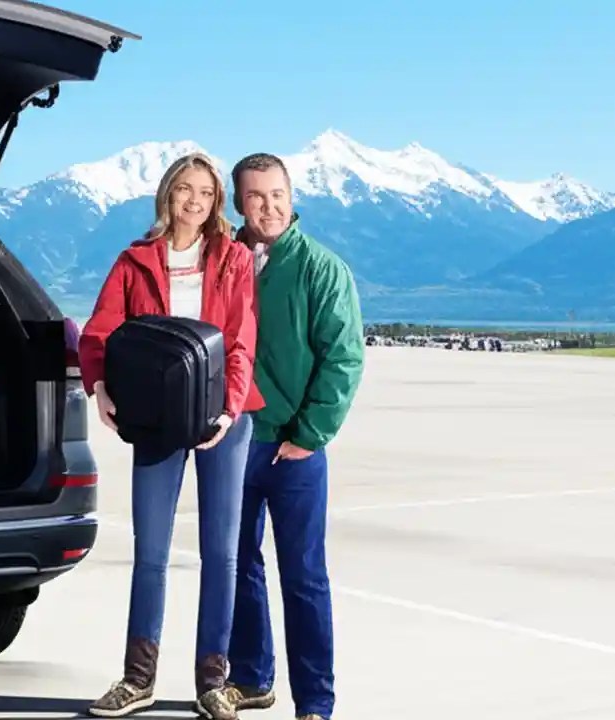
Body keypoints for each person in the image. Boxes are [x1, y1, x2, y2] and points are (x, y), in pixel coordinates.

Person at [78, 152, 264, 720]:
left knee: (221, 554)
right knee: (151, 553)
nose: (193, 200)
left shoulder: (232, 259)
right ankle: (138, 679)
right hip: (158, 419)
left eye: (205, 193)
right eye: (184, 189)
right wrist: (101, 387)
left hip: (223, 424)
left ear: (216, 203)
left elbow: (240, 341)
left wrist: (228, 412)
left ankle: (213, 680)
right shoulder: (135, 260)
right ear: (167, 195)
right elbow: (100, 331)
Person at [223, 153, 365, 720]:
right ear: (238, 203)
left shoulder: (321, 269)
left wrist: (309, 435)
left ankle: (315, 702)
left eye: (277, 194)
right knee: (235, 565)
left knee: (303, 575)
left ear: (292, 194)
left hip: (293, 449)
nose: (268, 207)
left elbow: (344, 359)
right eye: (255, 197)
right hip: (231, 444)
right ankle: (252, 678)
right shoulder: (223, 261)